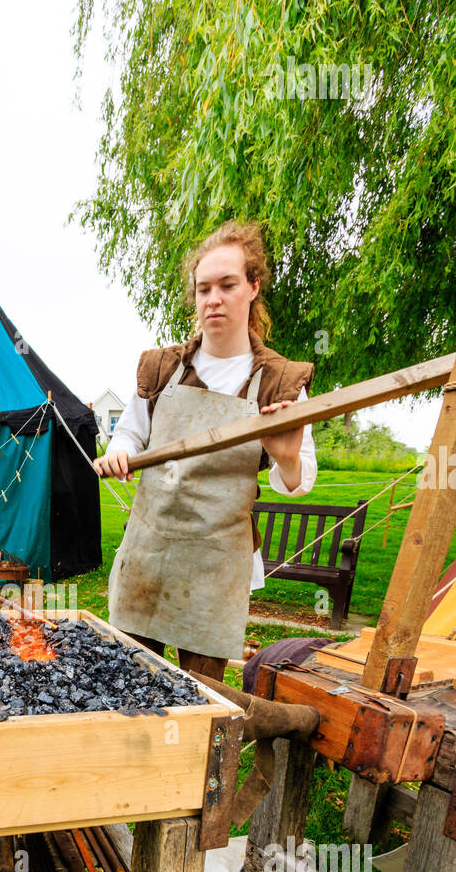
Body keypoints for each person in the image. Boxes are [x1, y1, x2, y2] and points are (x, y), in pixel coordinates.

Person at [94, 220, 318, 681]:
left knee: (202, 702)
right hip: (147, 555)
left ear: (253, 287)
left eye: (227, 285)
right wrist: (119, 450)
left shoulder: (281, 383)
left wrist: (285, 455)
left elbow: (299, 481)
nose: (213, 299)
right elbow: (130, 434)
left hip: (215, 570)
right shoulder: (163, 368)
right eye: (204, 289)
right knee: (126, 686)